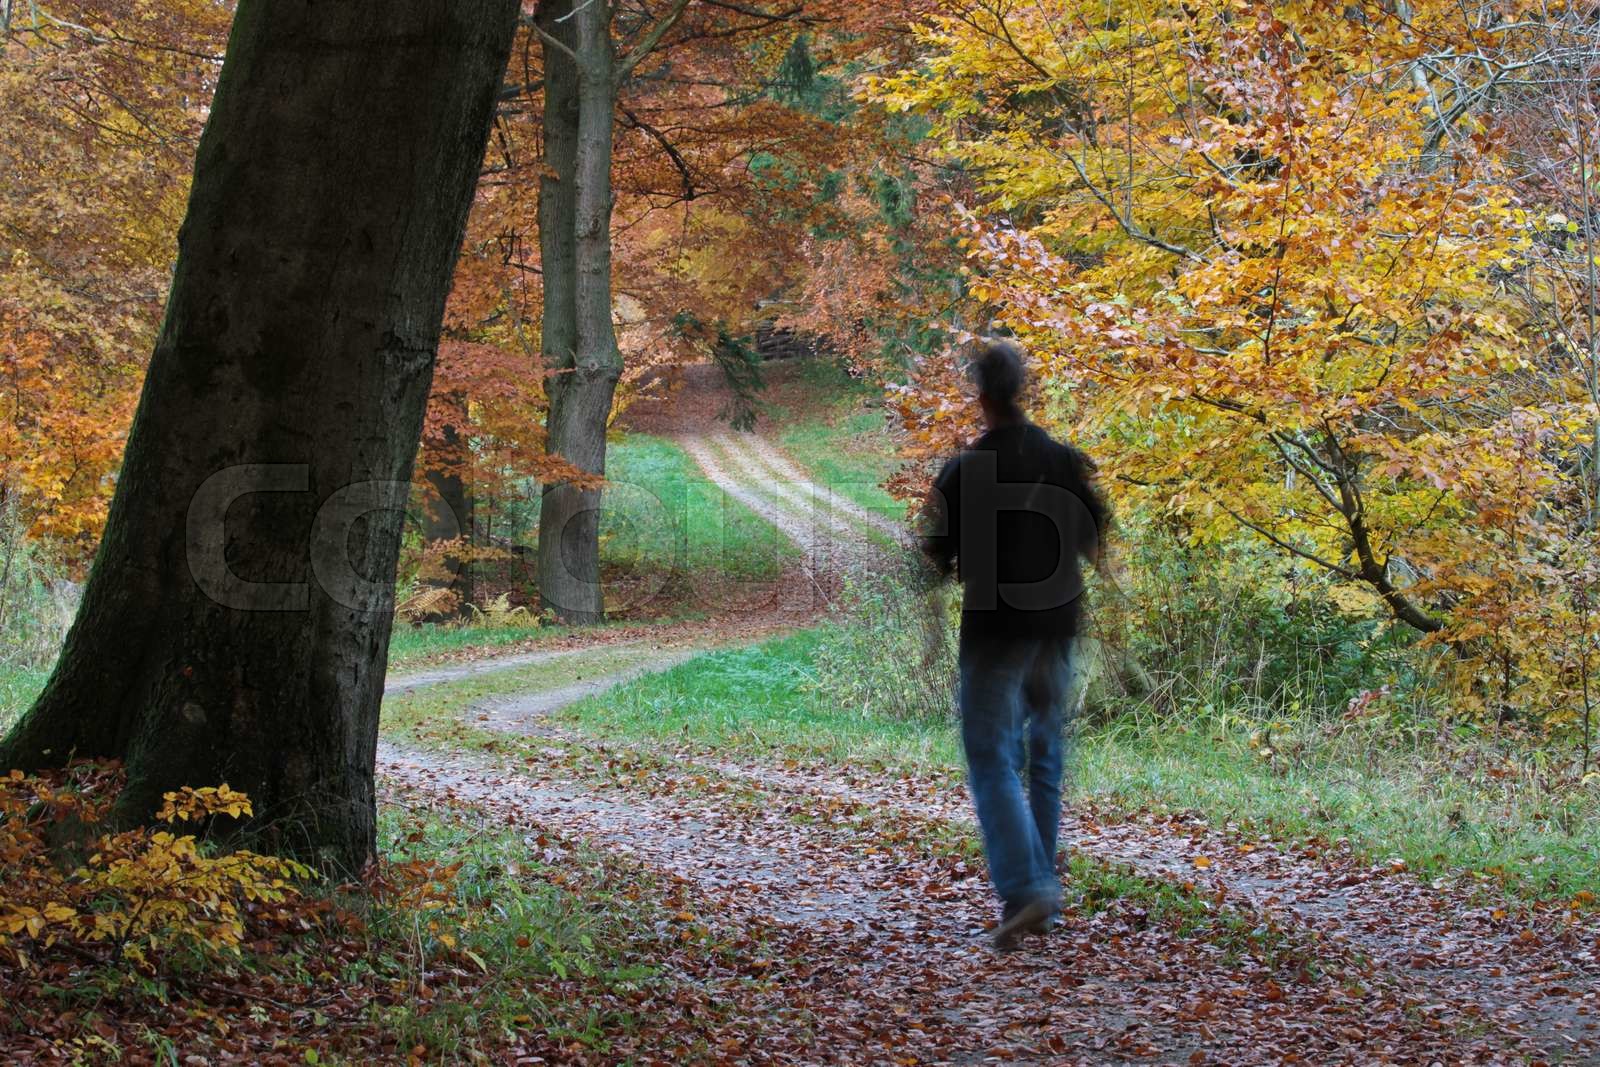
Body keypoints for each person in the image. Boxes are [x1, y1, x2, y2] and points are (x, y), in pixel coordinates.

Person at [921, 338, 1109, 950]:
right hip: (1056, 627)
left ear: (981, 396)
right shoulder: (1061, 459)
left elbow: (936, 559)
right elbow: (1095, 540)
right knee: (1045, 755)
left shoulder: (965, 469)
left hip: (995, 630)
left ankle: (1028, 888)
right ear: (1021, 390)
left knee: (990, 753)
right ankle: (1041, 896)